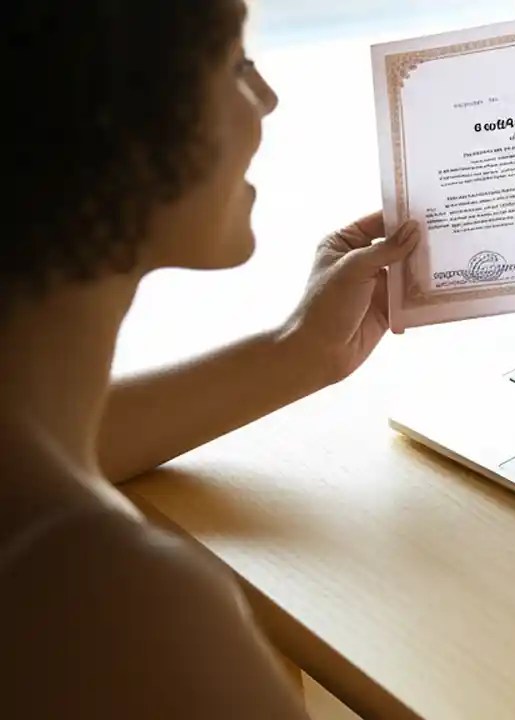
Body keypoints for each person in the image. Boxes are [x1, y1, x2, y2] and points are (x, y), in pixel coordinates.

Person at [1, 1, 420, 716]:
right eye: (235, 63)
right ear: (119, 121)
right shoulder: (115, 604)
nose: (268, 98)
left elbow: (69, 443)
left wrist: (298, 353)